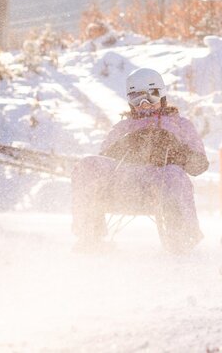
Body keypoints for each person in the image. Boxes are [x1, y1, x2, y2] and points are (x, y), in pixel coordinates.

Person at [71, 68, 209, 253]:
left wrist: (176, 152)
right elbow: (102, 162)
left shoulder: (180, 125)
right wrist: (127, 144)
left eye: (151, 96)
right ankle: (90, 236)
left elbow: (199, 165)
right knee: (87, 164)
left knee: (173, 173)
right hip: (125, 185)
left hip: (161, 185)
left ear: (162, 95)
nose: (144, 104)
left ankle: (181, 240)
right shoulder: (123, 128)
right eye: (137, 98)